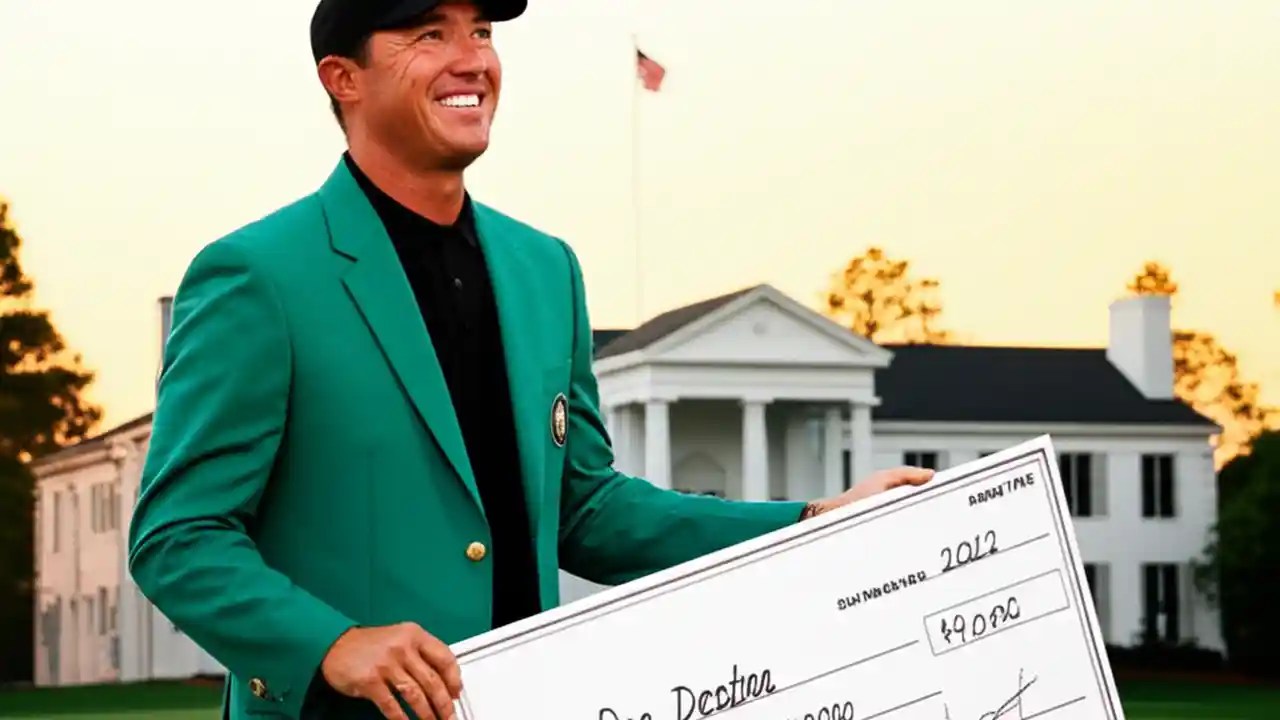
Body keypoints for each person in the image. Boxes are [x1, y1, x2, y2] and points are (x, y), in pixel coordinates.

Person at [125, 1, 934, 718]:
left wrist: (810, 523)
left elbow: (586, 510)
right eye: (427, 33)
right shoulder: (258, 275)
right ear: (344, 77)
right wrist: (331, 644)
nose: (472, 57)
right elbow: (177, 535)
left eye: (480, 31)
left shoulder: (546, 269)